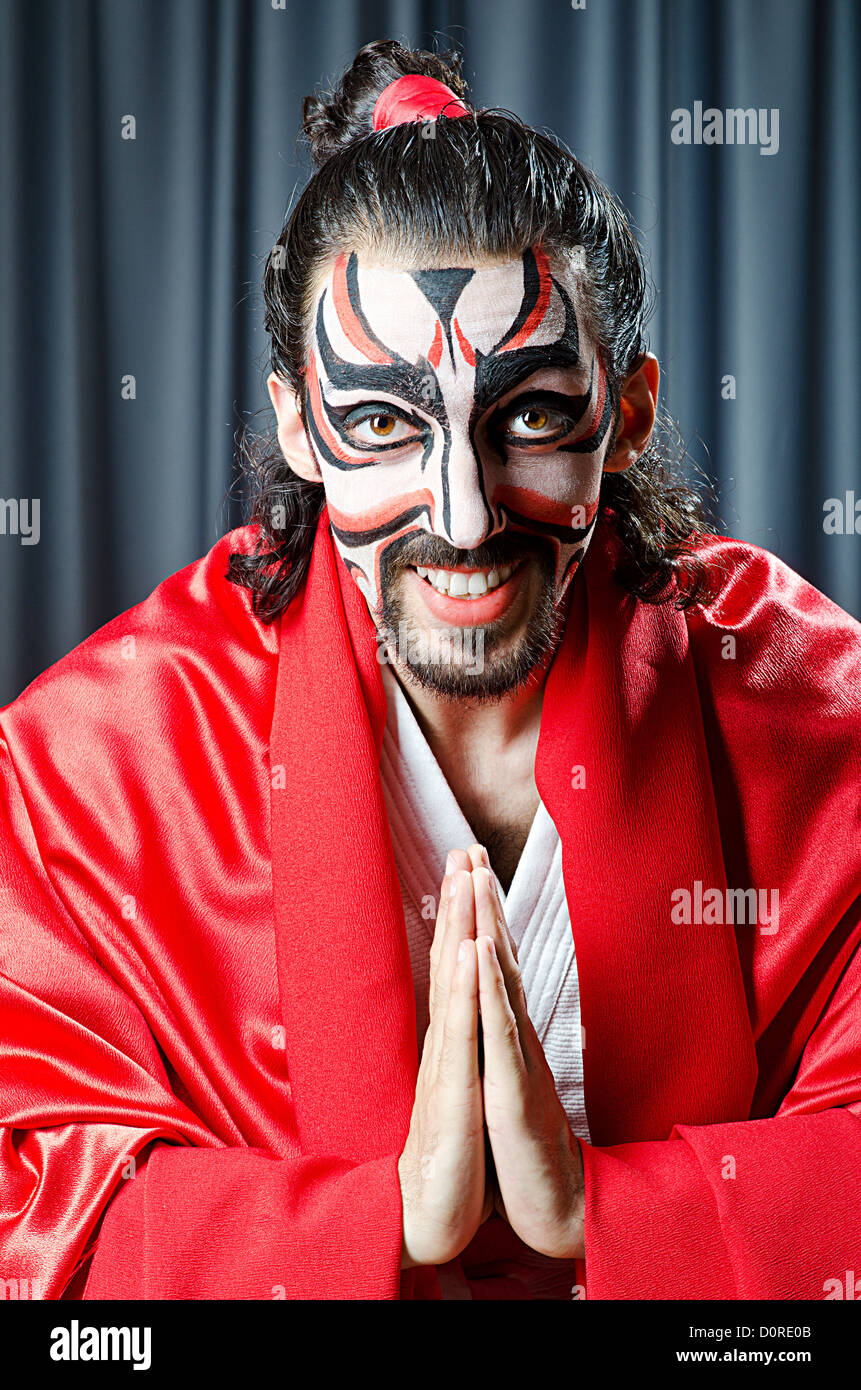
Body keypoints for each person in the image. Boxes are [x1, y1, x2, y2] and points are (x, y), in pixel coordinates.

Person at [1, 39, 859, 1302]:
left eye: (526, 415)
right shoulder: (98, 760)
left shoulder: (807, 704)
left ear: (626, 412)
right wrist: (372, 1227)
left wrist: (610, 1214)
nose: (461, 517)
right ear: (301, 426)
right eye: (385, 423)